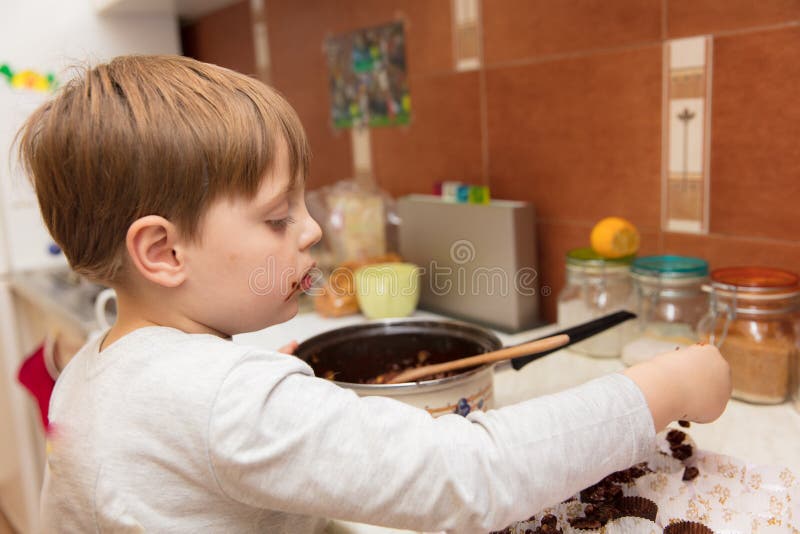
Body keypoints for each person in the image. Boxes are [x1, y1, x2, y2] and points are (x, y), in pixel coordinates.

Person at [16, 55, 731, 533]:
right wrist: (660, 387)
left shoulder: (92, 372)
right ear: (164, 251)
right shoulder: (223, 399)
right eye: (276, 217)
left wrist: (276, 400)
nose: (311, 231)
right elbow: (472, 472)